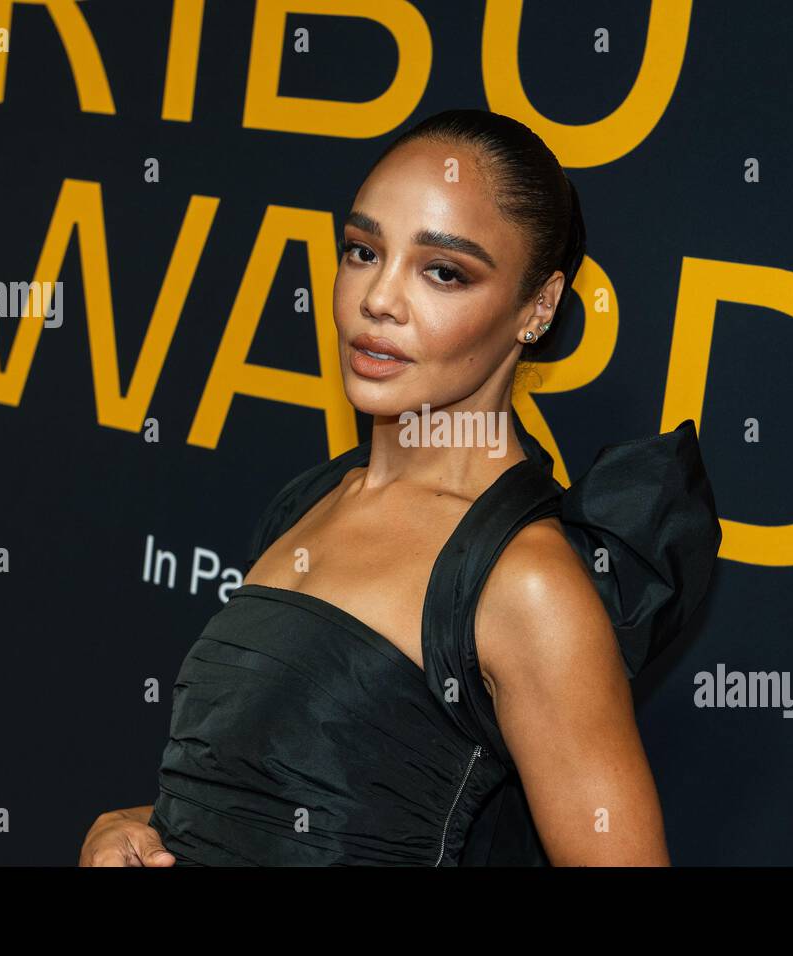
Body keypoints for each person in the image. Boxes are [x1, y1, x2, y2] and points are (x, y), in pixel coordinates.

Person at [79, 108, 720, 867]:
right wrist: (125, 825)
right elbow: (296, 809)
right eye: (362, 251)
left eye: (443, 271)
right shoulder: (313, 502)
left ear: (538, 307)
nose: (378, 300)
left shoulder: (527, 584)